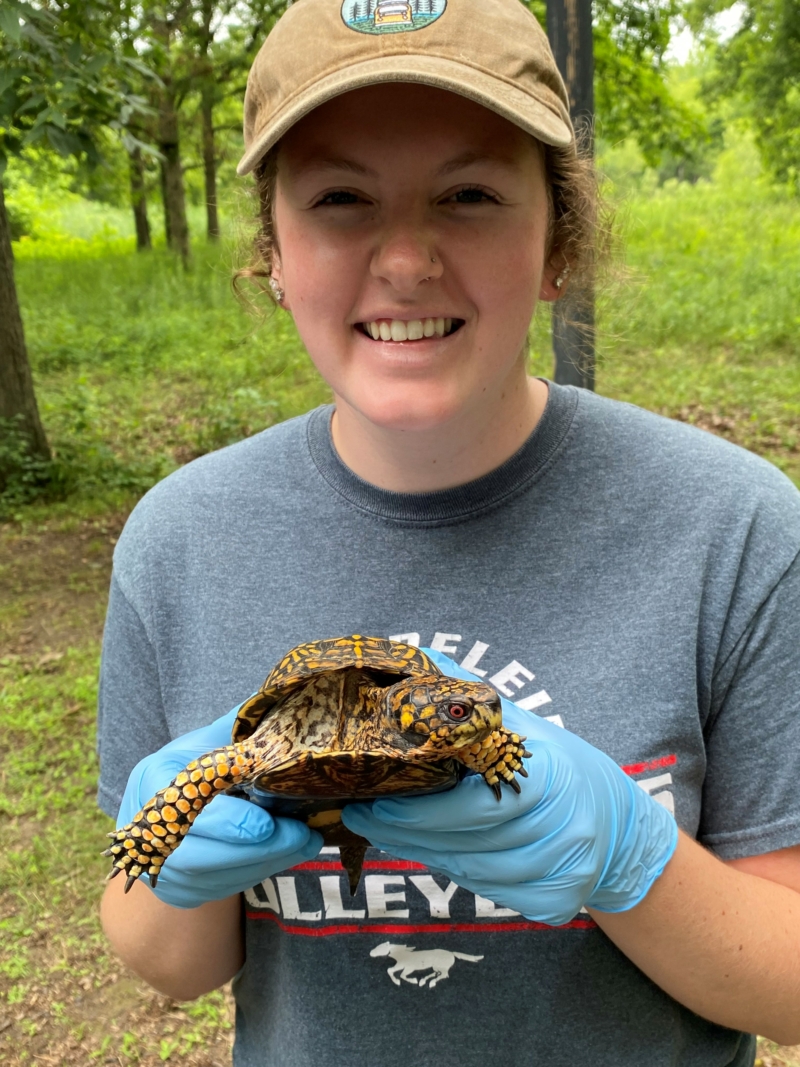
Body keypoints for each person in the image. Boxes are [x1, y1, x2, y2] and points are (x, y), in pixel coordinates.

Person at [97, 0, 800, 1063]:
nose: (406, 259)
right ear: (273, 253)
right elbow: (166, 959)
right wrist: (172, 861)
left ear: (557, 242)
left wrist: (628, 857)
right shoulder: (178, 542)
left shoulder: (737, 529)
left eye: (468, 195)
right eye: (340, 199)